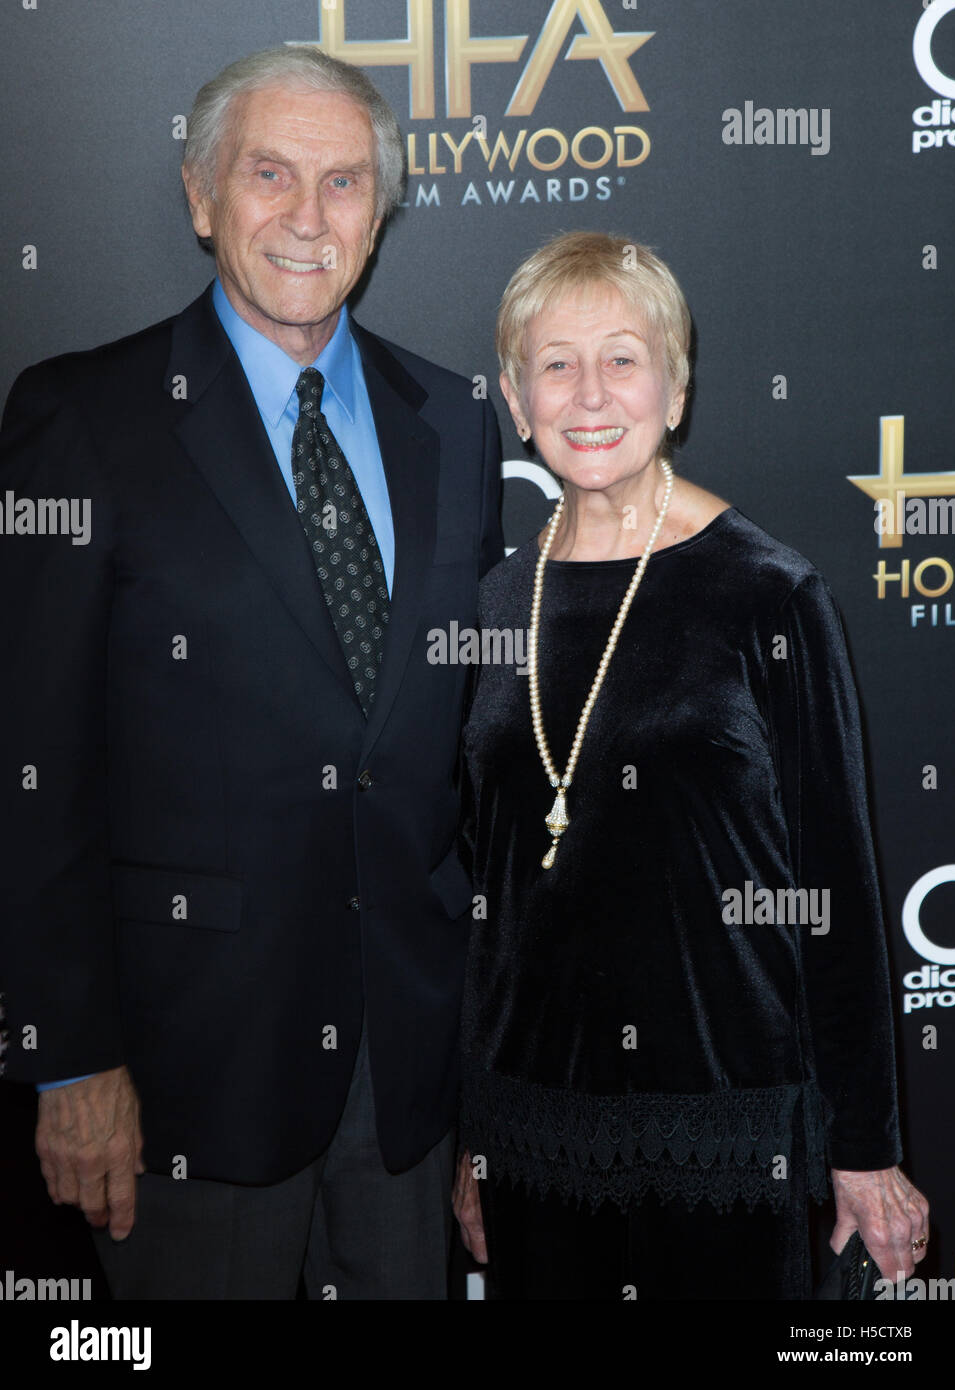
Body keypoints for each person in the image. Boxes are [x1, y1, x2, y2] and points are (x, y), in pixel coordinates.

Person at [0, 45, 503, 1300]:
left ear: (380, 215)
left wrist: (488, 1077)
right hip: (182, 1078)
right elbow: (32, 762)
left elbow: (465, 767)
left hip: (408, 1081)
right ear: (198, 194)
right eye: (267, 174)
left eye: (342, 184)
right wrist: (68, 1061)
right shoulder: (83, 419)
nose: (305, 215)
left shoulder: (453, 421)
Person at [452, 231, 928, 1300]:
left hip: (724, 1125)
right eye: (555, 362)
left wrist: (862, 1144)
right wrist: (473, 1131)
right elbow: (484, 899)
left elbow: (836, 893)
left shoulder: (764, 591)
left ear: (674, 388)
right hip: (533, 1129)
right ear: (516, 399)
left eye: (621, 357)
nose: (587, 393)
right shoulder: (489, 602)